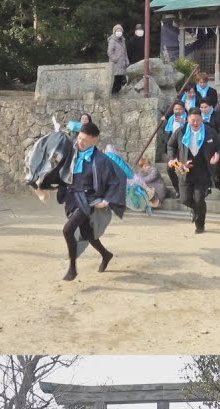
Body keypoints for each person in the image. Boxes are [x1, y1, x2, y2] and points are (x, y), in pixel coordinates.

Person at [57, 122, 121, 281]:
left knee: (68, 230)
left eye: (85, 140)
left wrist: (106, 200)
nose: (80, 142)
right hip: (72, 198)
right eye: (79, 138)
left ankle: (72, 268)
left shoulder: (101, 160)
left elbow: (115, 181)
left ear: (95, 140)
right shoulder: (72, 154)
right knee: (87, 233)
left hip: (88, 200)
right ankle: (106, 254)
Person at [168, 107, 220, 235]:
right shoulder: (180, 132)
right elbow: (171, 145)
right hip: (184, 170)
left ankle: (200, 225)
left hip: (203, 171)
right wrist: (171, 158)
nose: (195, 123)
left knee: (199, 199)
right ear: (188, 119)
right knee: (184, 199)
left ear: (201, 119)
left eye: (198, 120)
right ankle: (196, 210)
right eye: (193, 120)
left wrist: (218, 155)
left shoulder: (210, 132)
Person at [108, 25, 129, 95]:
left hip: (122, 63)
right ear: (114, 31)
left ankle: (117, 93)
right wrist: (115, 59)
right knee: (115, 79)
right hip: (115, 63)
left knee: (120, 79)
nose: (119, 32)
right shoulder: (112, 40)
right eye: (117, 30)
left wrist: (126, 61)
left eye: (120, 30)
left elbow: (125, 52)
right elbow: (110, 52)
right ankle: (113, 93)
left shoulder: (123, 40)